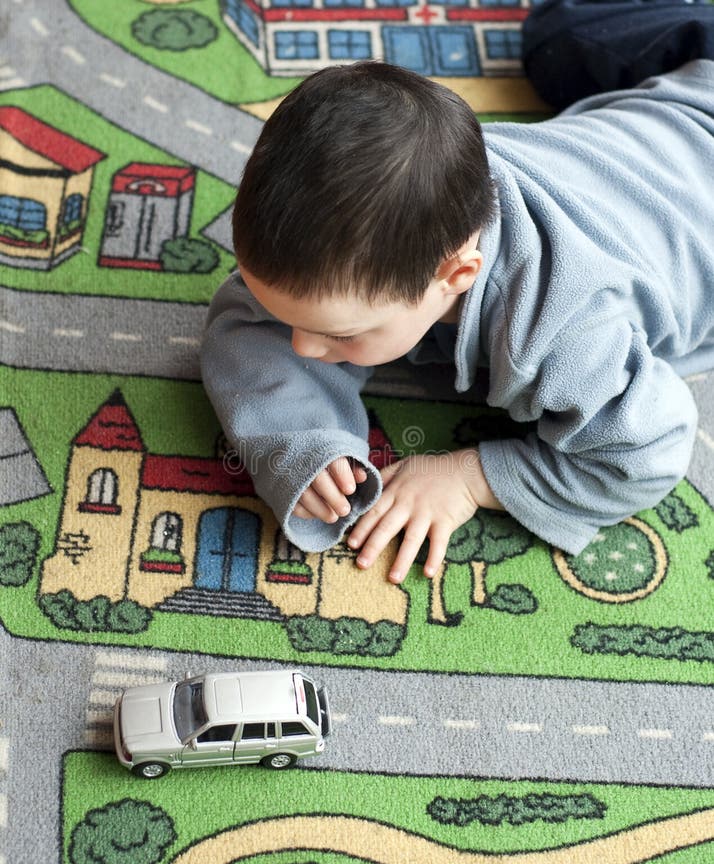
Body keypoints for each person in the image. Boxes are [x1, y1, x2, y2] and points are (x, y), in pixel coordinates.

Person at [201, 1, 714, 584]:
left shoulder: (556, 330)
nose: (301, 346)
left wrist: (473, 477)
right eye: (289, 317)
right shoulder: (426, 189)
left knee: (559, 39)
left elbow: (648, 451)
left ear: (455, 275)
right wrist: (304, 445)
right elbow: (245, 324)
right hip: (684, 95)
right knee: (559, 34)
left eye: (339, 334)